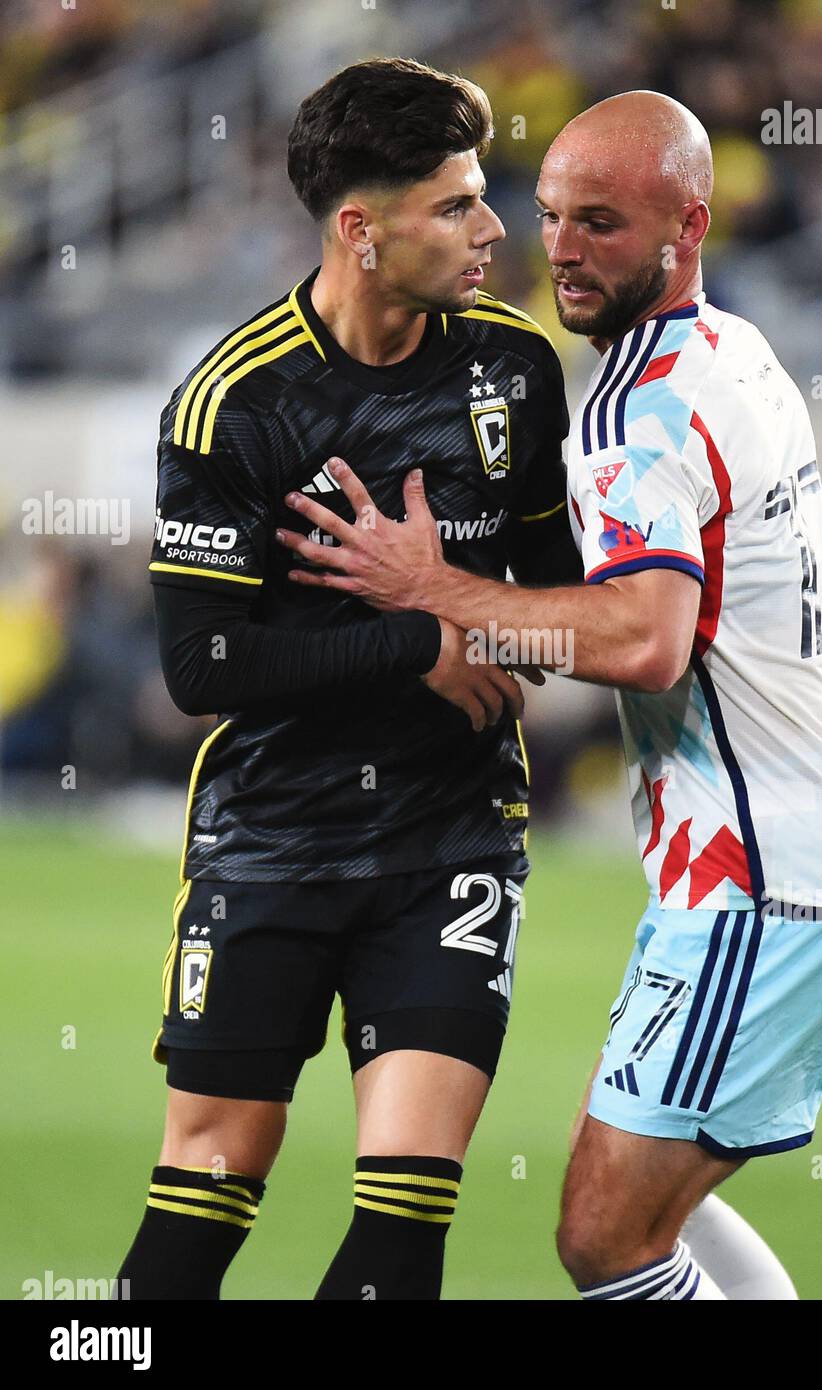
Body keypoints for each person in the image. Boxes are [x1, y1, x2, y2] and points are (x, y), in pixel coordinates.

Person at [276, 90, 822, 1302]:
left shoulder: (635, 409)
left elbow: (645, 641)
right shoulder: (733, 351)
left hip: (767, 875)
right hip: (794, 856)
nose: (561, 251)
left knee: (603, 1236)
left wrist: (438, 589)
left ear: (687, 226)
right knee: (647, 1208)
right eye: (551, 218)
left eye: (603, 226)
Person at [114, 57, 579, 1302]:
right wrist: (414, 633)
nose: (492, 229)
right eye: (453, 206)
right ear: (358, 231)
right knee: (208, 1188)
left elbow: (558, 605)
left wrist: (473, 608)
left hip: (451, 840)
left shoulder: (515, 370)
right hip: (271, 839)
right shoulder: (233, 404)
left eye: (484, 196)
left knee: (406, 1208)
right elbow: (202, 664)